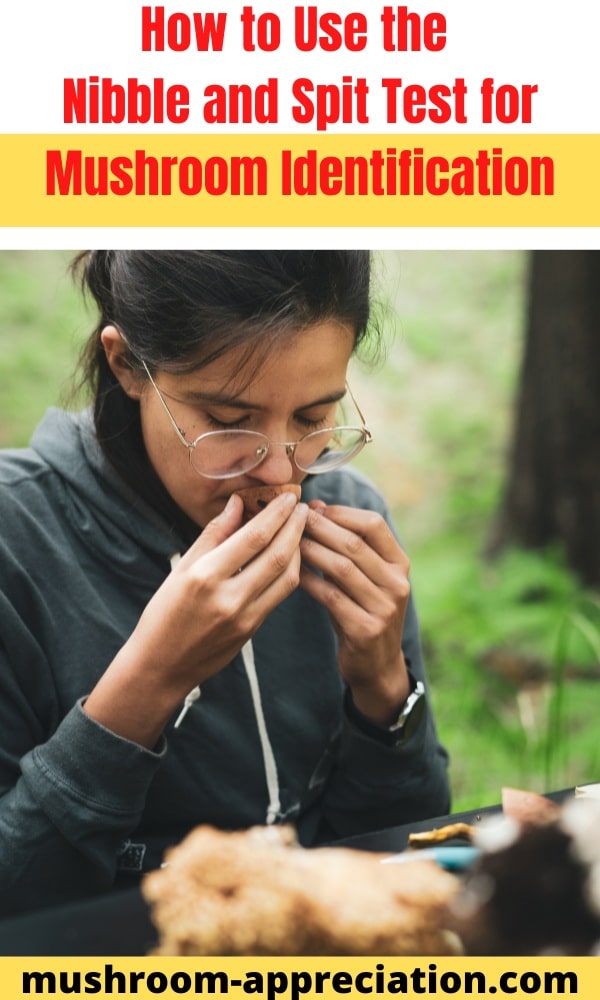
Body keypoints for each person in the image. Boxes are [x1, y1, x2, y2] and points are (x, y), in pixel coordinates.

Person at [0, 251, 449, 918]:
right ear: (127, 366)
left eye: (311, 418)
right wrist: (149, 682)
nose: (281, 472)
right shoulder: (16, 542)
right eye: (227, 419)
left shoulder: (351, 519)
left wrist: (385, 689)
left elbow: (406, 852)